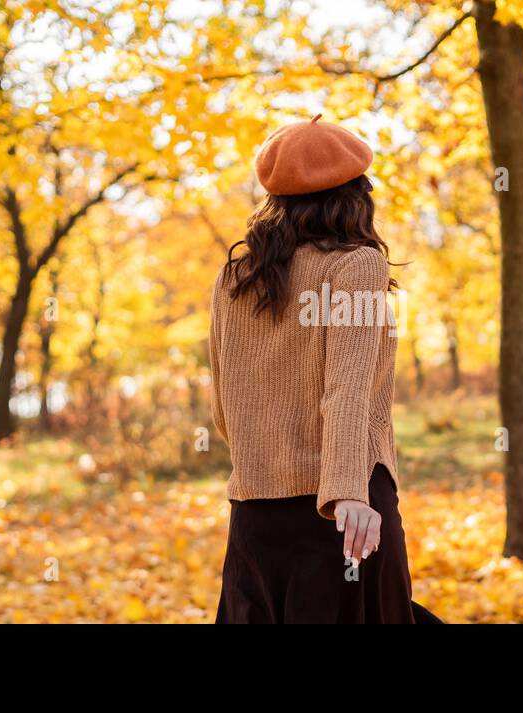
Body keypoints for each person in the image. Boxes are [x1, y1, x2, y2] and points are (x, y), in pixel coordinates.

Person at [210, 115, 442, 624]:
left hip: (255, 513)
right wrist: (346, 493)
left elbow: (223, 403)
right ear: (355, 194)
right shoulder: (356, 264)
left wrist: (264, 463)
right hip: (343, 510)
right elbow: (347, 390)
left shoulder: (235, 275)